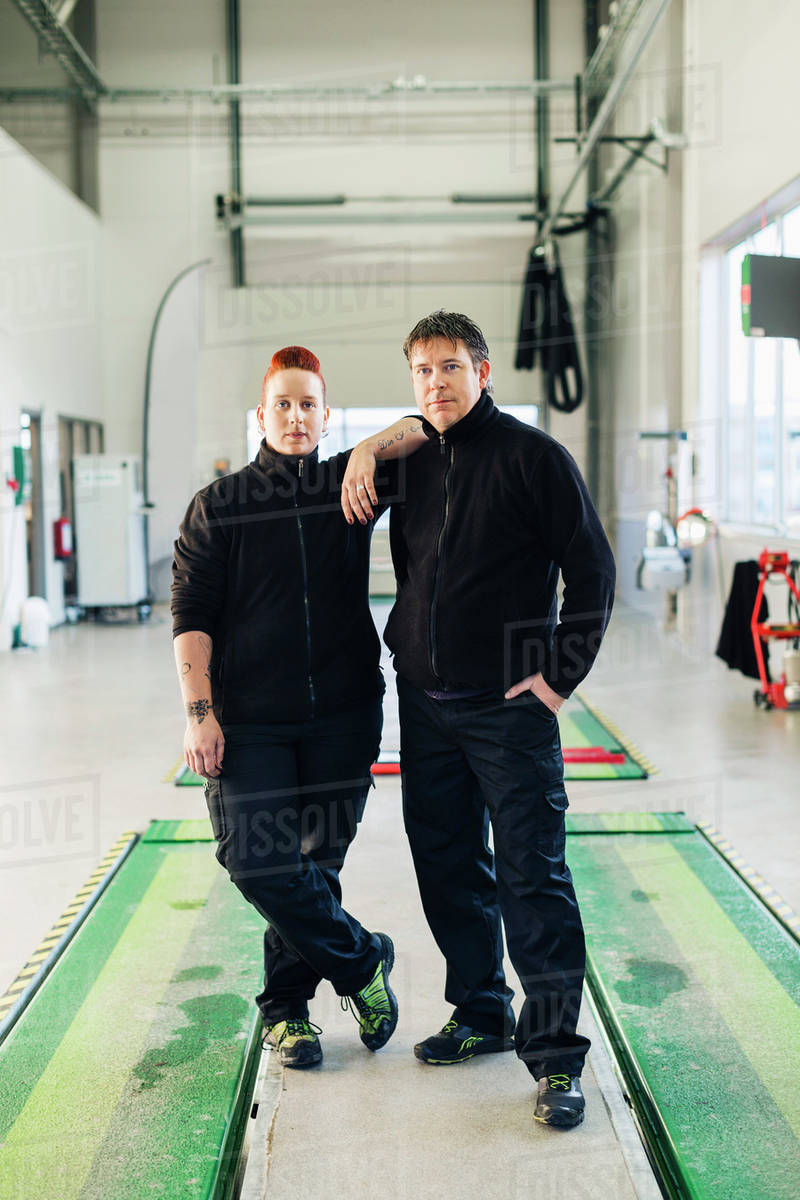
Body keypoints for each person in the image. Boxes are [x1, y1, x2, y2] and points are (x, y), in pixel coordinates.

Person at [342, 312, 616, 1127]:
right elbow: (338, 485)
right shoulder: (410, 460)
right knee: (450, 867)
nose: (436, 383)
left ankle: (557, 1058)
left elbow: (592, 573)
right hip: (425, 705)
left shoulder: (537, 460)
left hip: (508, 713)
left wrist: (558, 679)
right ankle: (482, 1012)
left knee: (533, 878)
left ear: (484, 371)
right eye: (422, 370)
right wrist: (368, 445)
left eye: (451, 366)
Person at [171, 345, 425, 1069]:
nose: (295, 416)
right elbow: (191, 613)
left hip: (343, 714)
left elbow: (423, 430)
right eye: (282, 403)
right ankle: (363, 961)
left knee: (316, 863)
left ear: (324, 413)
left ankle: (287, 1013)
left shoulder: (351, 483)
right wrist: (199, 711)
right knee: (255, 858)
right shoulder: (219, 506)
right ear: (261, 413)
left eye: (308, 403)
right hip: (250, 719)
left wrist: (371, 447)